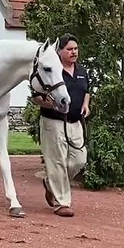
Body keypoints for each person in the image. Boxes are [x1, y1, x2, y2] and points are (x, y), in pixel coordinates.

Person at [32, 34, 91, 217]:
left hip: (75, 122)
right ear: (60, 52)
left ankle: (51, 184)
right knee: (57, 162)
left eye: (75, 49)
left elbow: (86, 90)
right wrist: (53, 104)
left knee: (79, 160)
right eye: (69, 49)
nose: (74, 52)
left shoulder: (81, 70)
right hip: (53, 122)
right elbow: (36, 98)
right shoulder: (52, 70)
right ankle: (62, 203)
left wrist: (86, 104)